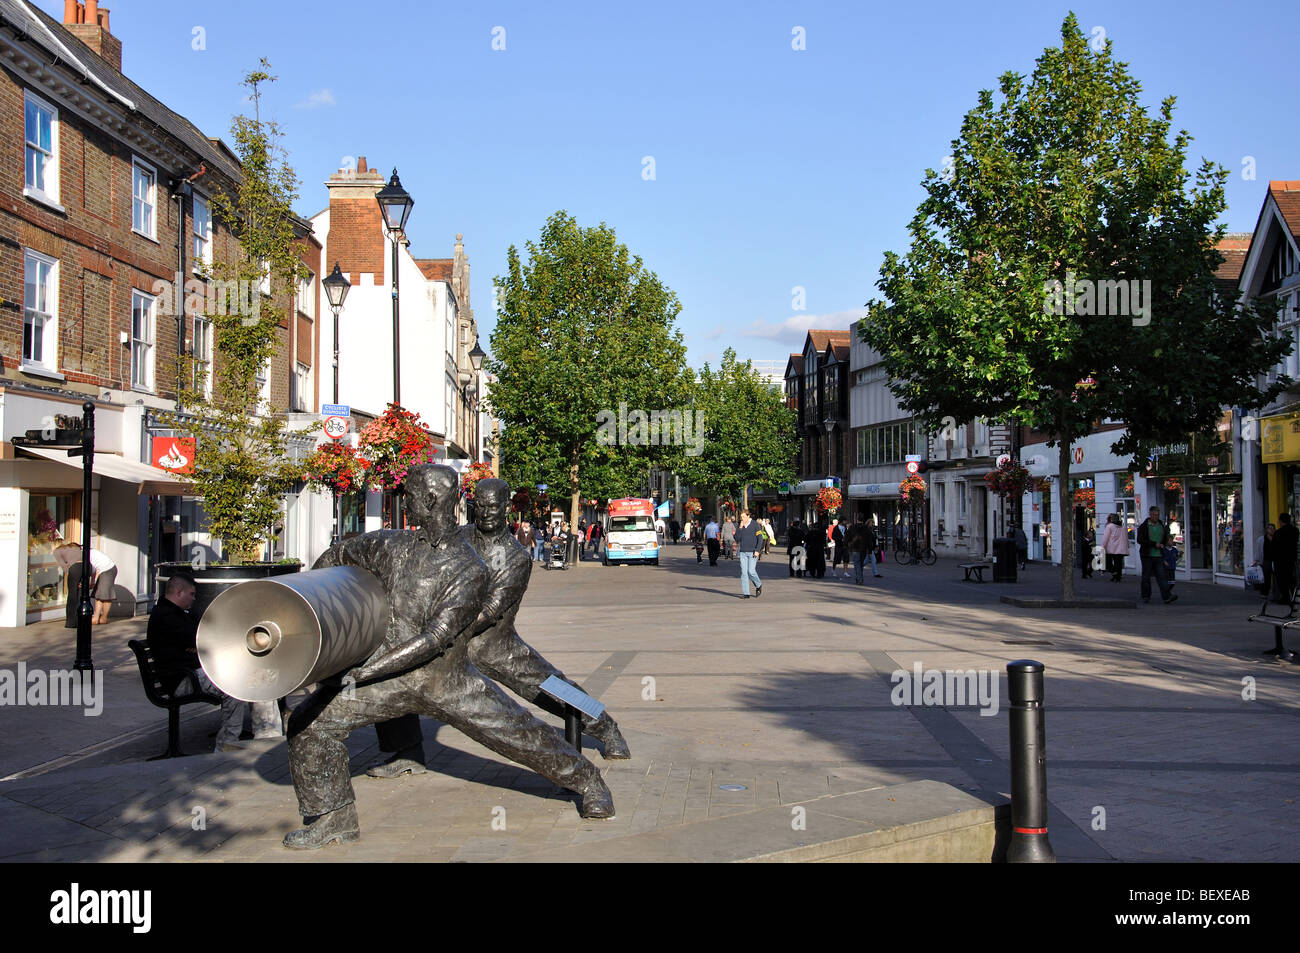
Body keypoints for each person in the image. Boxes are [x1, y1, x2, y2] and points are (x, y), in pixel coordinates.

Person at [284, 465, 614, 849]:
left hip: (452, 677)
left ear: (428, 500)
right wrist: (312, 596)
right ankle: (333, 817)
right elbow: (341, 552)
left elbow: (435, 638)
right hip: (392, 680)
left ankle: (590, 774)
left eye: (407, 494)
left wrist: (365, 671)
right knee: (308, 724)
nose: (403, 500)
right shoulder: (391, 544)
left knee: (520, 734)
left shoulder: (472, 567)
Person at [370, 479, 631, 777]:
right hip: (450, 645)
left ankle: (605, 725)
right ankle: (407, 752)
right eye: (479, 506)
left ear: (506, 508)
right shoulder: (460, 537)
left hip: (495, 646)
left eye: (492, 506)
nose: (485, 513)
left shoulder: (517, 557)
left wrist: (442, 629)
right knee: (390, 673)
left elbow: (491, 611)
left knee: (553, 688)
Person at [146, 573, 281, 750]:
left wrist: (198, 646)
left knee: (262, 675)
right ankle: (227, 744)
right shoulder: (165, 615)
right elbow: (202, 640)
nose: (194, 599)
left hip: (200, 669)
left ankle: (268, 737)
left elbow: (203, 639)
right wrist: (198, 647)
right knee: (234, 685)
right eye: (191, 594)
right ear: (179, 592)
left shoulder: (182, 613)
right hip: (182, 679)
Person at [1136, 506, 1176, 604]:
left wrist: (1165, 542)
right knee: (1146, 576)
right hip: (1147, 555)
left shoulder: (1161, 525)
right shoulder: (1144, 526)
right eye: (1154, 515)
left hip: (1159, 555)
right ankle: (1146, 596)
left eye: (1157, 515)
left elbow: (1165, 537)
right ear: (1150, 515)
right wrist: (1154, 544)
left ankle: (1167, 596)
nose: (1156, 517)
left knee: (1161, 576)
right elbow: (1140, 540)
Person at [735, 510, 763, 598]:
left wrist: (758, 550)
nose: (742, 518)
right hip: (743, 552)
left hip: (752, 552)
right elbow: (737, 538)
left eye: (743, 517)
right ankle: (746, 593)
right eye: (741, 517)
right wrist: (739, 528)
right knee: (744, 573)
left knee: (751, 571)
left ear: (748, 516)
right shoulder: (741, 526)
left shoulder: (755, 525)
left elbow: (760, 538)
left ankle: (758, 585)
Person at [846, 514, 881, 584]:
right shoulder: (866, 528)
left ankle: (859, 579)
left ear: (857, 519)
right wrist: (870, 549)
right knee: (860, 563)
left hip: (855, 548)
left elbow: (846, 537)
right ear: (863, 520)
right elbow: (869, 540)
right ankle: (859, 578)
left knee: (857, 564)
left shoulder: (852, 527)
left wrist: (848, 544)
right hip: (863, 548)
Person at [1272, 513, 1298, 604]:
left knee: (1282, 579)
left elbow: (1274, 547)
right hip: (1291, 558)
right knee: (1290, 577)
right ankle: (1294, 596)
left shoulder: (1278, 533)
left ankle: (1285, 597)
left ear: (1281, 521)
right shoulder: (1295, 531)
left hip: (1280, 560)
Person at [1101, 513, 1128, 582]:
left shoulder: (1109, 526)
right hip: (1121, 548)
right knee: (1118, 563)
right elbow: (1125, 538)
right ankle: (1117, 577)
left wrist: (1102, 546)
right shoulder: (1123, 527)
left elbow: (1105, 538)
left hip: (1111, 548)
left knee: (1108, 562)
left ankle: (1114, 573)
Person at [1254, 523, 1276, 598]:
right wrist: (1257, 560)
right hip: (1266, 560)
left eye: (1273, 528)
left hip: (1274, 560)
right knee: (1266, 577)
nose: (1271, 530)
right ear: (1266, 530)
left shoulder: (1276, 538)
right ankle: (1264, 592)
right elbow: (1258, 550)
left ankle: (1275, 593)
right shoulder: (1261, 539)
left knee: (1275, 578)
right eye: (1270, 528)